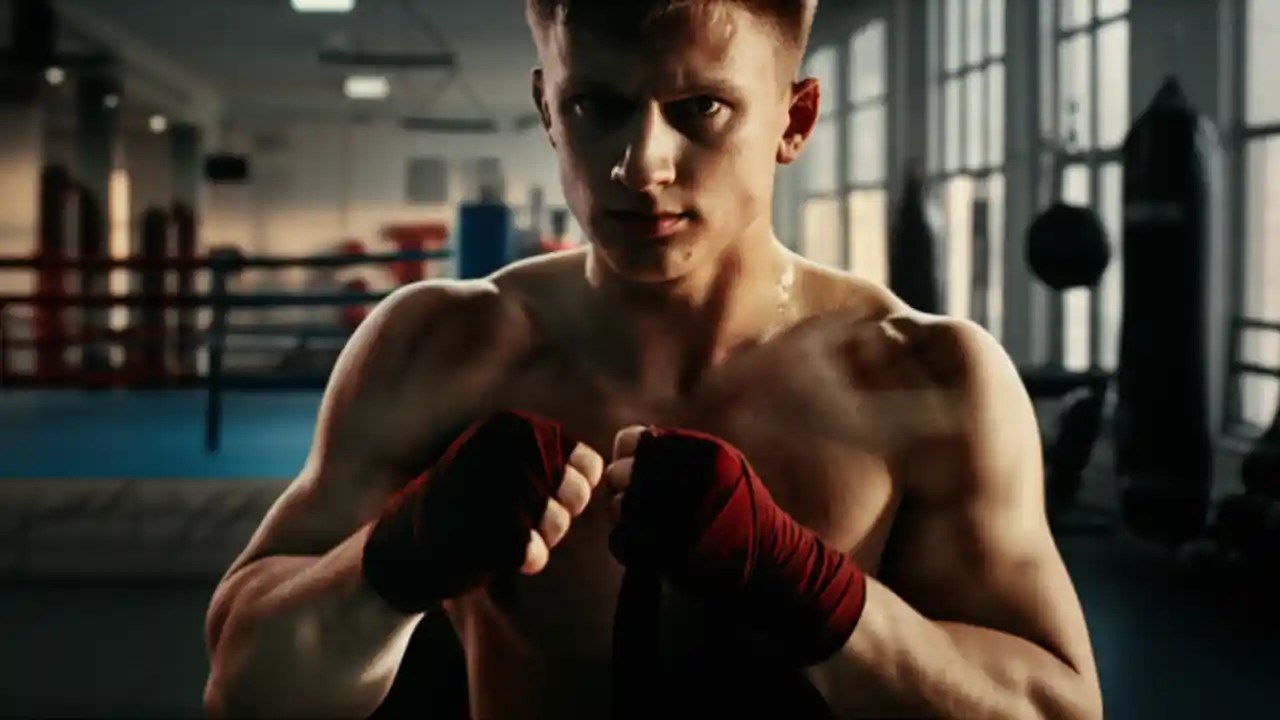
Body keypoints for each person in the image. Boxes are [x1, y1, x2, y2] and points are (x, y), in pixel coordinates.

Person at [202, 1, 1104, 718]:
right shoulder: (437, 350)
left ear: (795, 119)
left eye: (700, 107)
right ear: (547, 112)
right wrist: (394, 561)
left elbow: (1055, 711)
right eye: (596, 106)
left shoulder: (927, 380)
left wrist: (815, 593)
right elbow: (246, 690)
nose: (641, 164)